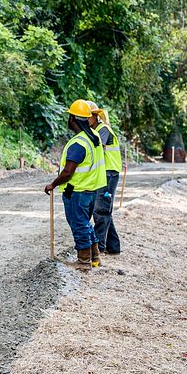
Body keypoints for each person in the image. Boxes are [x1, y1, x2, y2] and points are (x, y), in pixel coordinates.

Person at [44, 100, 107, 269]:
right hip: (90, 191)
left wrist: (52, 184)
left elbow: (67, 172)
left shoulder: (79, 143)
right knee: (85, 224)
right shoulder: (94, 138)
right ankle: (95, 259)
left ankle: (84, 262)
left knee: (79, 225)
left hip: (77, 192)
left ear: (72, 118)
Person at [88, 102, 122, 254]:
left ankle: (99, 248)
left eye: (86, 116)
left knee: (101, 211)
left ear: (95, 116)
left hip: (108, 173)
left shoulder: (102, 130)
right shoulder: (96, 129)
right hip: (106, 173)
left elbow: (96, 150)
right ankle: (113, 247)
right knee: (105, 210)